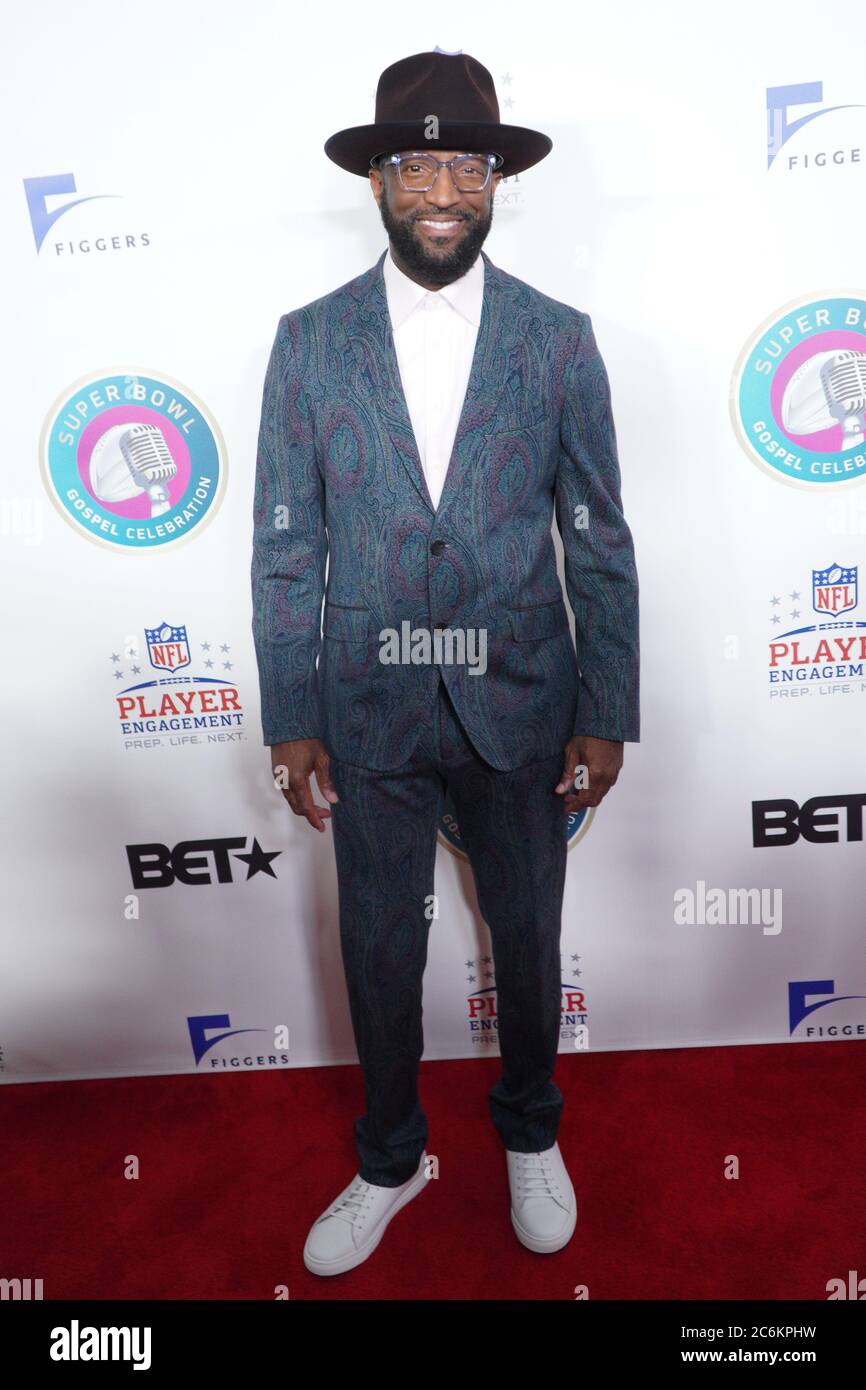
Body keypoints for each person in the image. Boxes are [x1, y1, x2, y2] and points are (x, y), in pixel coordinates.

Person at [250, 49, 640, 1277]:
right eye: (410, 161)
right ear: (375, 180)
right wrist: (290, 710)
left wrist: (606, 706)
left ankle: (530, 1132)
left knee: (525, 936)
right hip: (362, 709)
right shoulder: (307, 344)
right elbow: (285, 544)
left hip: (521, 702)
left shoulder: (558, 340)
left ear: (492, 181)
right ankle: (387, 1156)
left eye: (459, 164)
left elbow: (597, 536)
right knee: (377, 945)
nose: (436, 188)